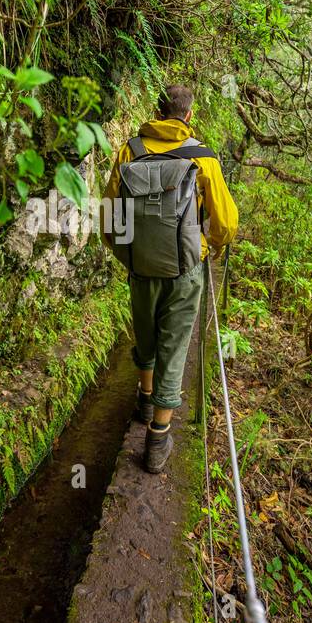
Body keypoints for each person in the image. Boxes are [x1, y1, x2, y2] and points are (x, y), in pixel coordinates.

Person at [100, 84, 238, 474]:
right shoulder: (203, 158)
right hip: (183, 270)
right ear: (189, 116)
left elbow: (110, 214)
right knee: (174, 346)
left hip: (140, 267)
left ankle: (145, 398)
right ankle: (158, 439)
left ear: (157, 111)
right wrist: (206, 246)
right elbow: (225, 223)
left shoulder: (130, 150)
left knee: (144, 333)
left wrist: (126, 252)